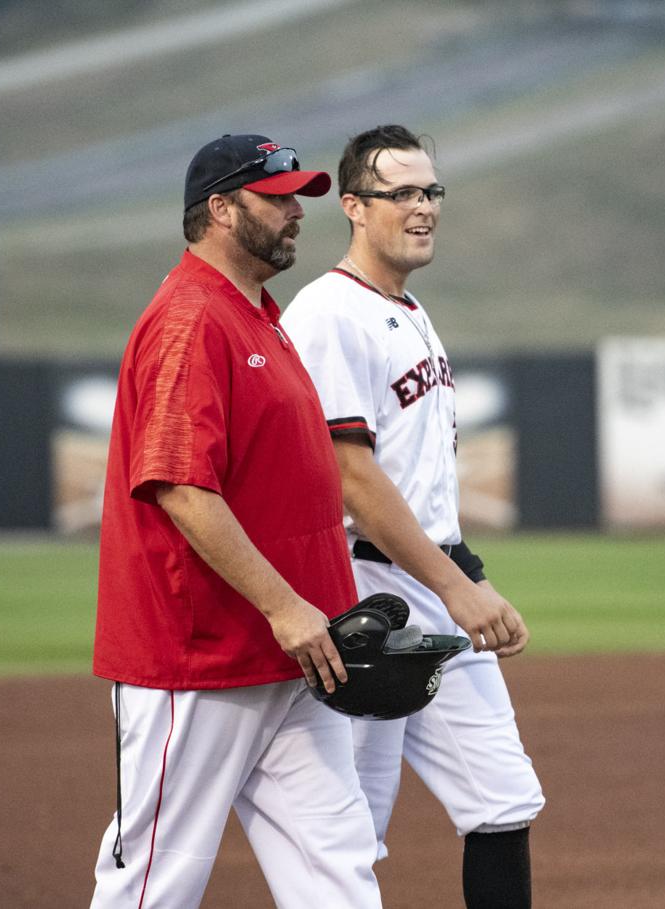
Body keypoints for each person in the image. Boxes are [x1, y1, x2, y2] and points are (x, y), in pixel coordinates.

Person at [89, 134, 382, 909]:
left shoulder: (254, 314)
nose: (294, 213)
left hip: (294, 655)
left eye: (296, 197)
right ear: (220, 209)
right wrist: (286, 604)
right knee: (154, 878)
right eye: (277, 196)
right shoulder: (191, 320)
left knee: (338, 866)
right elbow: (182, 488)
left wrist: (312, 613)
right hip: (201, 658)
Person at [282, 124, 546, 909]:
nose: (423, 206)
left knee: (502, 800)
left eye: (431, 190)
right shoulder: (329, 313)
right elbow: (353, 478)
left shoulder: (405, 306)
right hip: (366, 597)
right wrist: (456, 590)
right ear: (355, 208)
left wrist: (464, 579)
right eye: (401, 192)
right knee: (348, 834)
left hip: (433, 577)